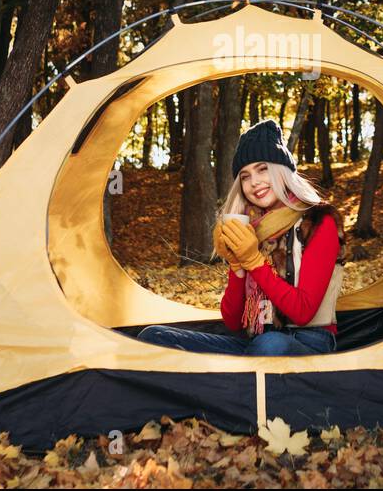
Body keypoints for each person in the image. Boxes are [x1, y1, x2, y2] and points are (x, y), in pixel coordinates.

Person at [137, 118, 345, 355]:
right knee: (153, 337)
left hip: (309, 341)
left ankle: (225, 385)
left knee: (271, 344)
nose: (254, 182)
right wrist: (237, 265)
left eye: (262, 169)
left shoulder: (319, 221)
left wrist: (254, 262)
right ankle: (227, 387)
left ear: (282, 171)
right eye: (245, 176)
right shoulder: (248, 229)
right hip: (256, 341)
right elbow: (233, 322)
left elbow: (303, 311)